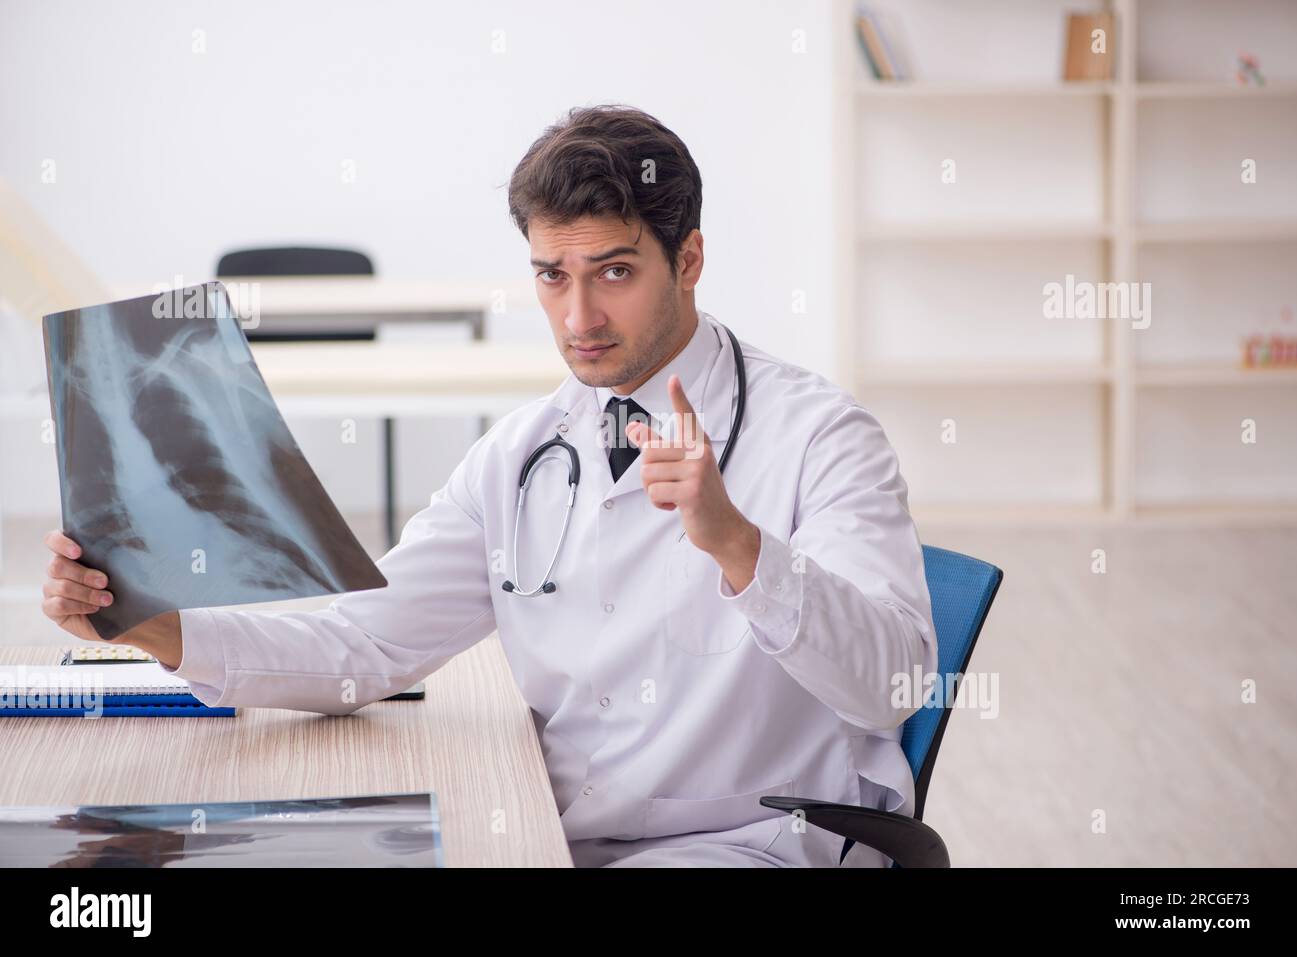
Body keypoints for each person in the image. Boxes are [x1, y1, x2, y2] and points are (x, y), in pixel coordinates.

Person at [41, 104, 937, 867]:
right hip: (561, 835)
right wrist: (149, 623)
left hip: (747, 839)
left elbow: (895, 682)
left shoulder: (821, 435)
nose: (578, 317)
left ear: (689, 259)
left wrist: (737, 545)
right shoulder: (521, 454)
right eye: (554, 276)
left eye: (615, 272)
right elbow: (366, 646)